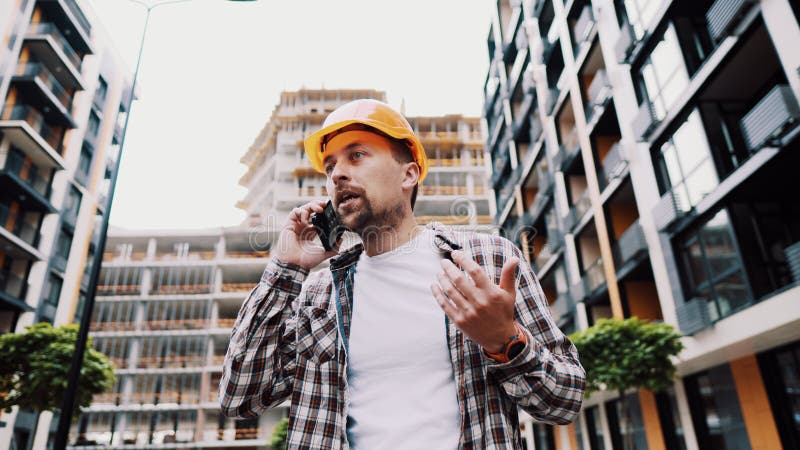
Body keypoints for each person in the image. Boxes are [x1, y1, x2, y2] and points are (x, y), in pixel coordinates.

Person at [220, 99, 585, 449]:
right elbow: (240, 397)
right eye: (329, 167)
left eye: (357, 155)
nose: (338, 174)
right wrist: (286, 268)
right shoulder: (318, 293)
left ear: (409, 173)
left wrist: (505, 343)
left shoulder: (487, 262)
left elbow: (563, 401)